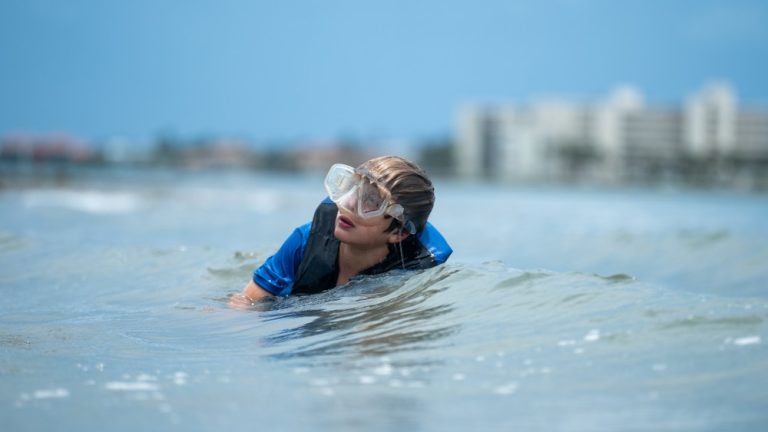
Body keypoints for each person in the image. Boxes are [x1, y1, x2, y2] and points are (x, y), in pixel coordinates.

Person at [229, 155, 452, 307]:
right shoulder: (304, 241)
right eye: (350, 187)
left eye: (371, 201)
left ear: (399, 233)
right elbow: (246, 304)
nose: (348, 203)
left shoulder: (409, 277)